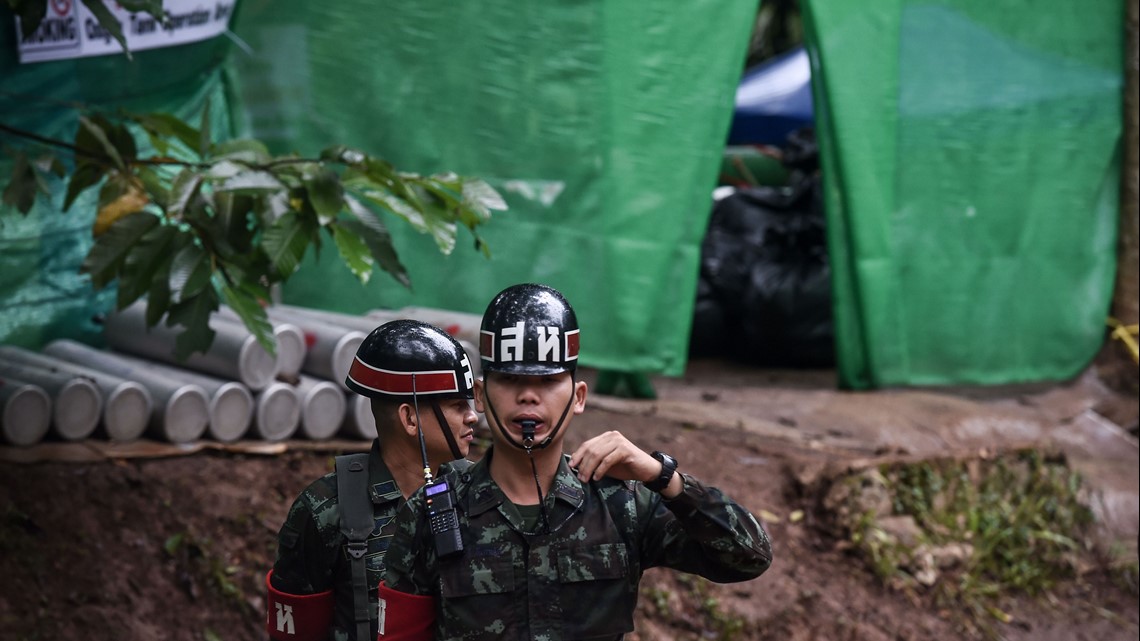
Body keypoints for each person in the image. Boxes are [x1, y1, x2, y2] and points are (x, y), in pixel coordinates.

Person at [377, 283, 772, 640]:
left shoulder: (623, 504)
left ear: (578, 396)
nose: (529, 397)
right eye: (511, 380)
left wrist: (662, 476)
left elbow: (749, 558)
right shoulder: (435, 512)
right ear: (480, 396)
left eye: (548, 381)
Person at [265, 319, 479, 641]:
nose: (473, 416)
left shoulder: (478, 490)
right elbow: (295, 633)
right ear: (410, 419)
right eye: (458, 405)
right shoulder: (327, 509)